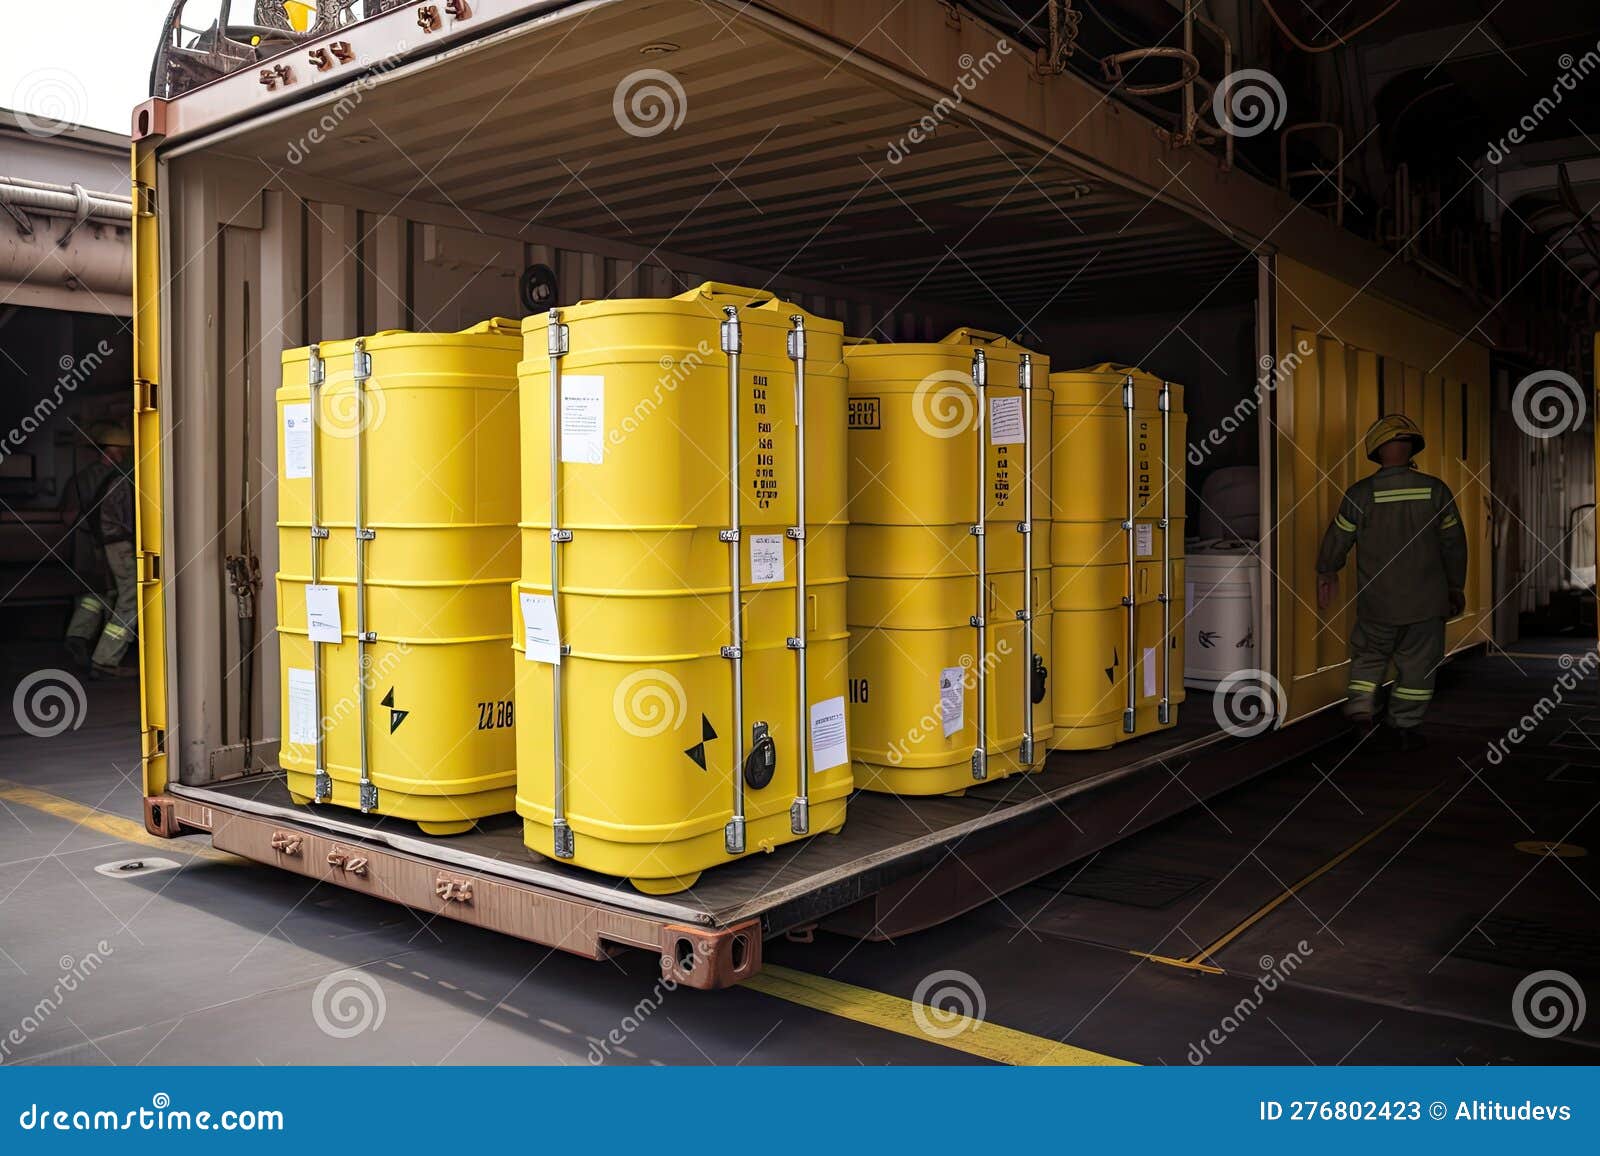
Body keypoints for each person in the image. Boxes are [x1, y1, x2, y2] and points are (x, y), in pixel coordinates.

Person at [1315, 414, 1468, 749]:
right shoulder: (1435, 490)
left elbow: (1337, 540)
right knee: (1418, 667)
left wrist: (1327, 570)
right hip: (1427, 604)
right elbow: (1454, 544)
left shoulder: (1360, 494)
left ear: (1375, 451)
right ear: (1412, 447)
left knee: (1368, 657)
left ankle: (1360, 710)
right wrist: (1455, 586)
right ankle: (1404, 727)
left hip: (1376, 603)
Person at [63, 422, 138, 678]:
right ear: (116, 451)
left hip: (86, 544)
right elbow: (128, 519)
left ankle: (79, 634)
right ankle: (104, 656)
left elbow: (68, 516)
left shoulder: (79, 478)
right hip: (111, 543)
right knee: (125, 595)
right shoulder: (122, 479)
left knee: (96, 592)